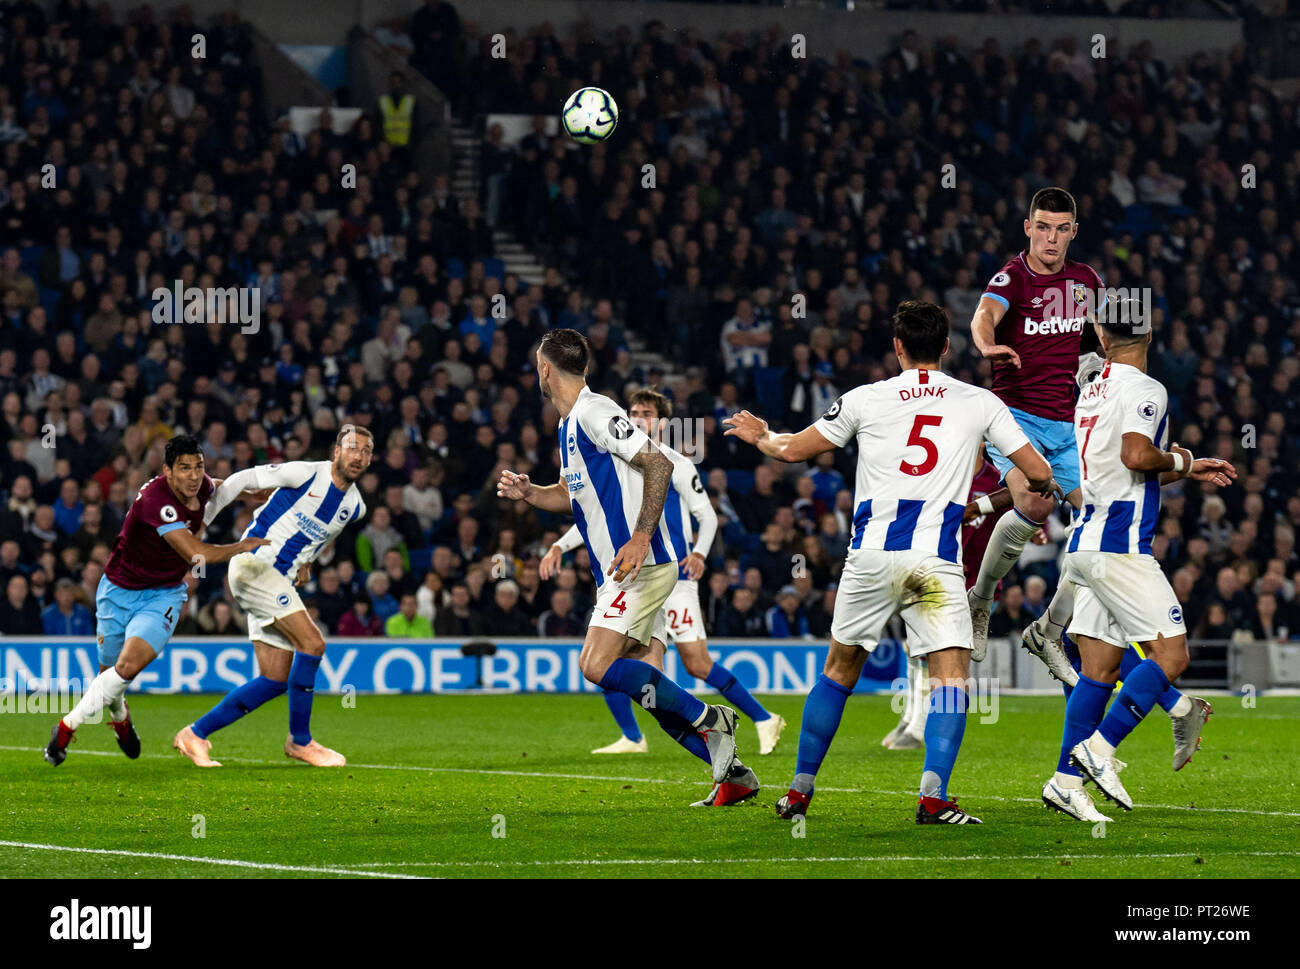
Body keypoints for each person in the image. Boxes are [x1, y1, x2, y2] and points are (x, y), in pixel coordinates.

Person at [724, 300, 1055, 824]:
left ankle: (799, 792)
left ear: (897, 348)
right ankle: (933, 797)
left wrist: (761, 435)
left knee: (838, 672)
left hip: (871, 554)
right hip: (934, 559)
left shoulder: (864, 399)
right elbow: (1036, 473)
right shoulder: (980, 403)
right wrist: (1022, 487)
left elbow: (790, 451)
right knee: (950, 678)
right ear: (947, 347)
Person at [497, 328, 752, 806]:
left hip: (639, 566)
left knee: (594, 664)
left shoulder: (597, 412)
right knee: (650, 691)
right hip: (624, 571)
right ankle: (734, 776)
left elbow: (659, 465)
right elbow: (570, 495)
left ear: (545, 368)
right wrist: (532, 494)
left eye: (537, 364)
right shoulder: (568, 425)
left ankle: (710, 718)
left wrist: (639, 536)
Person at [1042, 300, 1234, 821]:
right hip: (1119, 548)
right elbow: (1135, 456)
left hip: (1083, 544)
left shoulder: (1092, 389)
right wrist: (1187, 459)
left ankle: (1064, 783)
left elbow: (1123, 471)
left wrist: (1183, 470)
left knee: (1099, 669)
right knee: (1171, 656)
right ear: (1149, 331)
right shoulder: (1147, 389)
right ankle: (1099, 752)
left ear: (1103, 334)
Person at [542, 388, 785, 759]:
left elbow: (706, 515)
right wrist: (561, 544)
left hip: (670, 572)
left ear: (664, 422)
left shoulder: (676, 463)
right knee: (617, 657)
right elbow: (596, 515)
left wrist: (700, 554)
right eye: (634, 411)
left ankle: (760, 718)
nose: (639, 418)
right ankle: (643, 737)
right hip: (633, 572)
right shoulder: (617, 460)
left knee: (694, 662)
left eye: (648, 413)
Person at [45, 435, 268, 766]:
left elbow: (216, 485)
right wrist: (240, 546)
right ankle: (121, 719)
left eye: (198, 467)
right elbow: (195, 552)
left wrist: (250, 495)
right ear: (167, 471)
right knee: (110, 679)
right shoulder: (156, 502)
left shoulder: (199, 484)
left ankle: (63, 730)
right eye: (184, 469)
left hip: (163, 594)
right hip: (117, 592)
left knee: (125, 668)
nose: (194, 476)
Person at [171, 425, 372, 768]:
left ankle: (195, 734)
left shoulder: (355, 507)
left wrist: (307, 560)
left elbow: (323, 534)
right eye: (353, 448)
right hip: (254, 566)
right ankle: (300, 741)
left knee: (274, 679)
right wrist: (198, 524)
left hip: (277, 581)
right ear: (336, 452)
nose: (359, 456)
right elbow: (238, 480)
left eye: (367, 451)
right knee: (313, 644)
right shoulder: (305, 472)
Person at [966, 187, 1101, 673]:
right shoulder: (1012, 277)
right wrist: (986, 346)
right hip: (1015, 416)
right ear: (1028, 228)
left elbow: (1106, 338)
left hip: (1069, 425)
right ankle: (980, 601)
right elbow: (984, 316)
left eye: (1062, 229)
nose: (1052, 238)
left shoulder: (1085, 280)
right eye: (1043, 227)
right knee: (1032, 501)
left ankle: (1049, 629)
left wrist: (1106, 369)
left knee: (1103, 525)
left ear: (1073, 232)